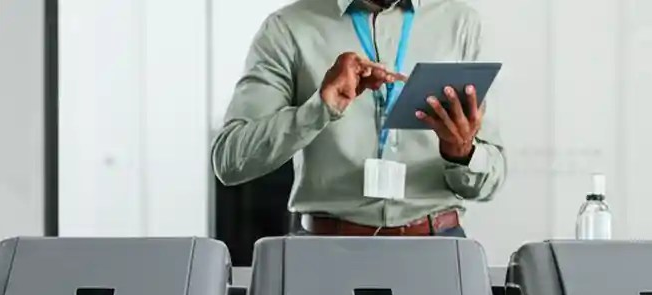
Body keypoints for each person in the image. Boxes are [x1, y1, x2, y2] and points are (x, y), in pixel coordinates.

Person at [212, 0, 505, 237]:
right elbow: (230, 160)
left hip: (437, 247)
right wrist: (318, 108)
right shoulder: (288, 29)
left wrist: (462, 153)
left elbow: (492, 178)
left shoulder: (463, 25)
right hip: (325, 253)